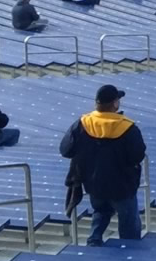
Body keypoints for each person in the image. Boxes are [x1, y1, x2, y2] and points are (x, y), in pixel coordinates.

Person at [60, 84, 147, 246]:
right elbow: (138, 155)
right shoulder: (127, 127)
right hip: (123, 185)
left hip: (94, 183)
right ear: (114, 104)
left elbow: (65, 150)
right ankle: (131, 250)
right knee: (128, 219)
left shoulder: (82, 124)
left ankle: (93, 241)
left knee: (100, 210)